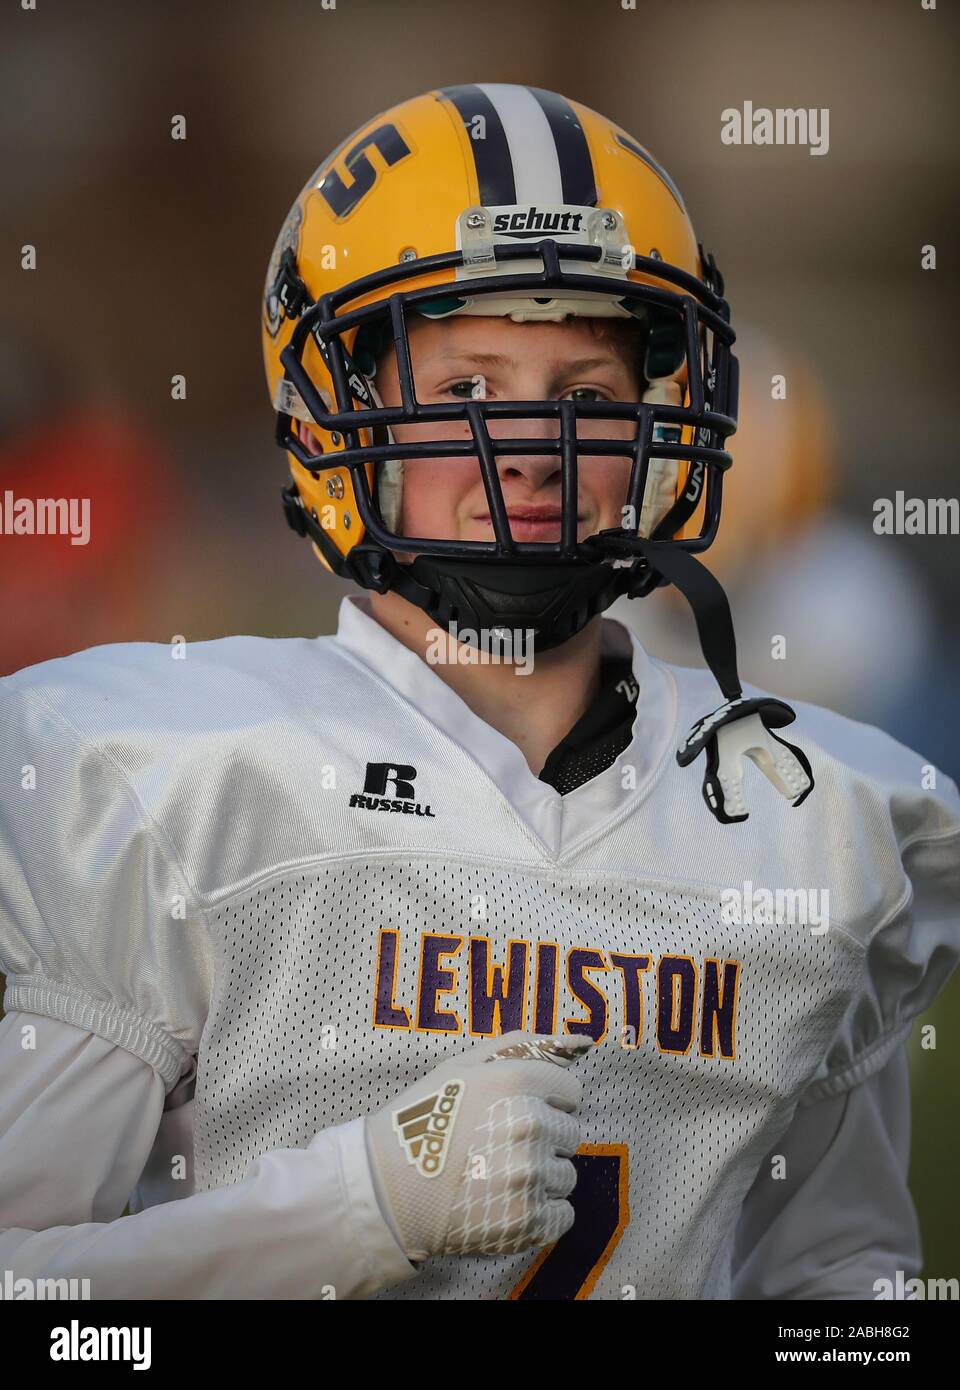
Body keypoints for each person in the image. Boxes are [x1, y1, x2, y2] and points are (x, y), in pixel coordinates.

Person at [1, 83, 957, 1301]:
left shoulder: (812, 822)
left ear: (667, 424)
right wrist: (360, 1208)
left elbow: (839, 1282)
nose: (531, 443)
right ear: (334, 413)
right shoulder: (173, 787)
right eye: (467, 393)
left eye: (589, 398)